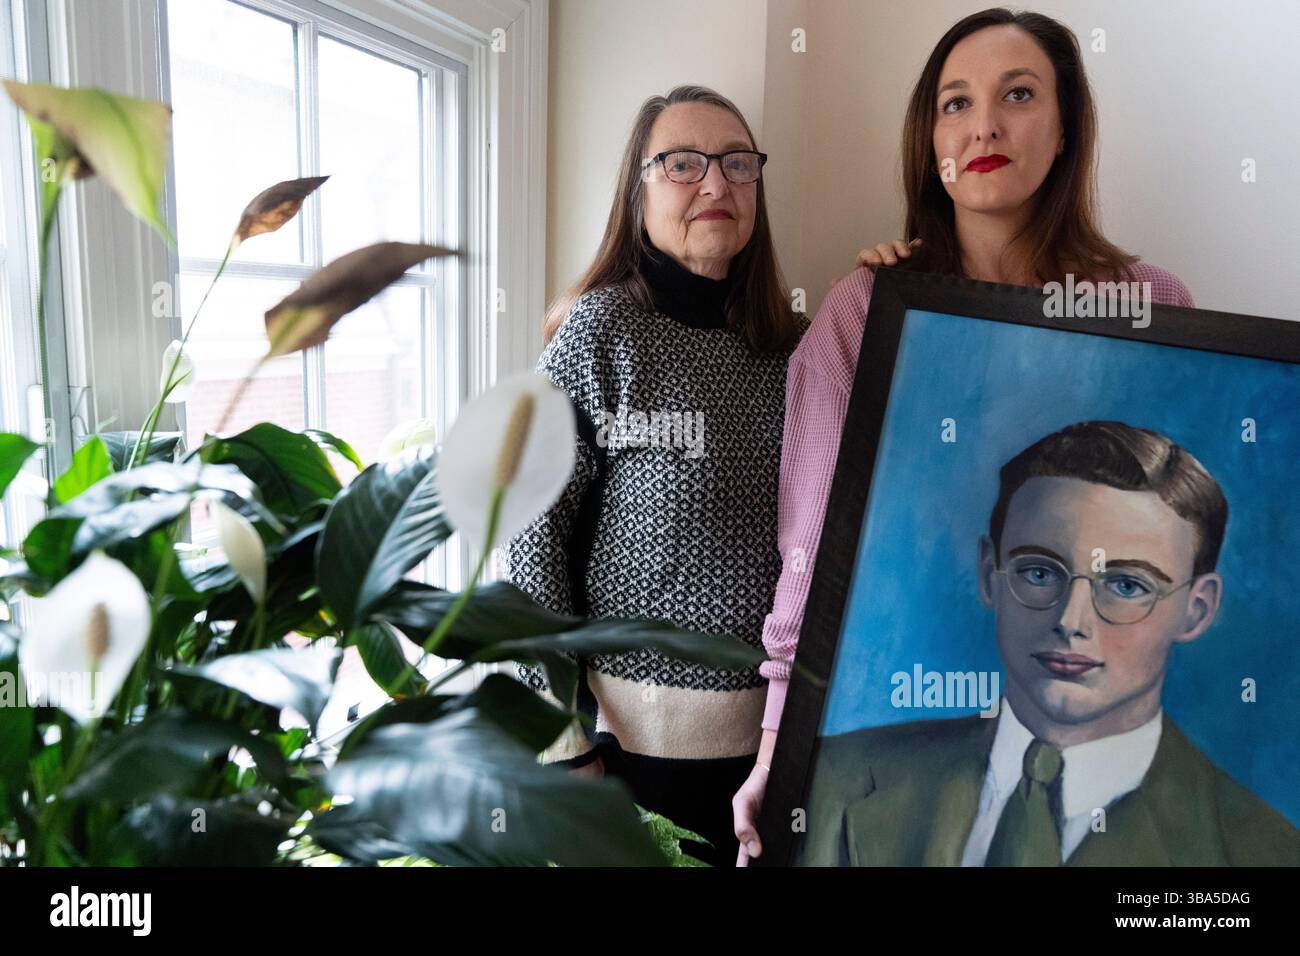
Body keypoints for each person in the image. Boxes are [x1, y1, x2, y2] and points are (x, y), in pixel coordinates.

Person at [735, 6, 1199, 866]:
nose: (983, 123)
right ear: (929, 140)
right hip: (898, 726)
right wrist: (775, 748)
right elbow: (810, 550)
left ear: (1065, 128)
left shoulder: (1154, 306)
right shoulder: (862, 313)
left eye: (1017, 95)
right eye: (955, 103)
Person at [505, 85, 805, 867]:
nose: (715, 184)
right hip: (627, 763)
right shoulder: (599, 333)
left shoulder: (796, 351)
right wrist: (564, 747)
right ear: (638, 189)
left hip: (780, 757)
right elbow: (529, 541)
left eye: (738, 163)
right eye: (682, 164)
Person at [797, 420, 1300, 866]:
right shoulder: (833, 783)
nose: (1070, 620)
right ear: (989, 575)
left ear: (1197, 609)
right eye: (1039, 571)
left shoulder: (1262, 852)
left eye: (1127, 585)